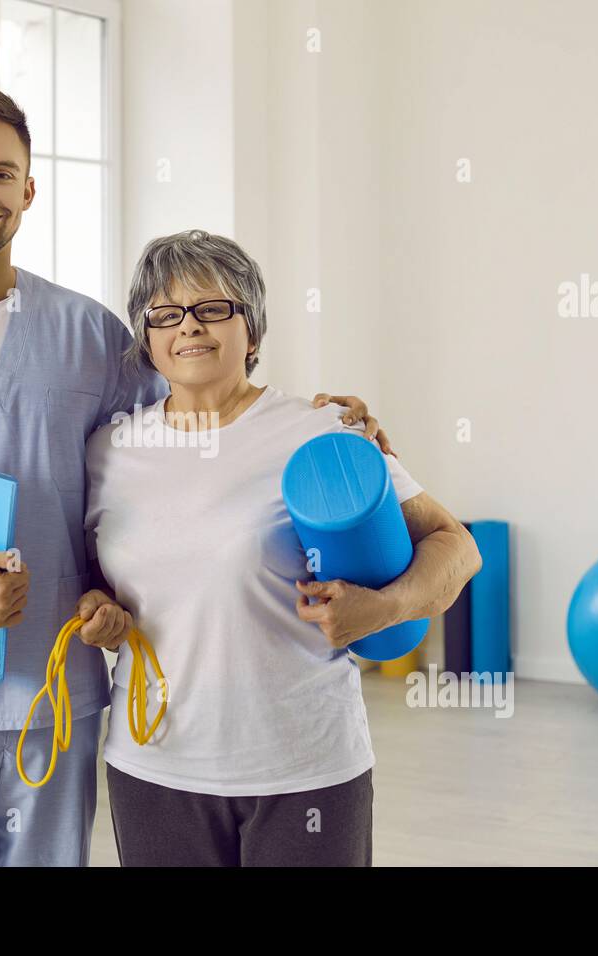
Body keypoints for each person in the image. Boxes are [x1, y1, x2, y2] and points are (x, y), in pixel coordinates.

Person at [0, 86, 390, 866]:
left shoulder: (92, 337)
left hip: (58, 698)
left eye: (2, 174)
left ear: (28, 190)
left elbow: (189, 438)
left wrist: (338, 439)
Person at [83, 230, 483, 866]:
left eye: (213, 308)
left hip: (304, 770)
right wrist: (98, 611)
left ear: (253, 329)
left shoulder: (323, 431)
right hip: (153, 766)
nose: (190, 326)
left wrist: (382, 609)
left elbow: (456, 547)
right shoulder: (108, 452)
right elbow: (96, 578)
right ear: (148, 338)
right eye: (166, 314)